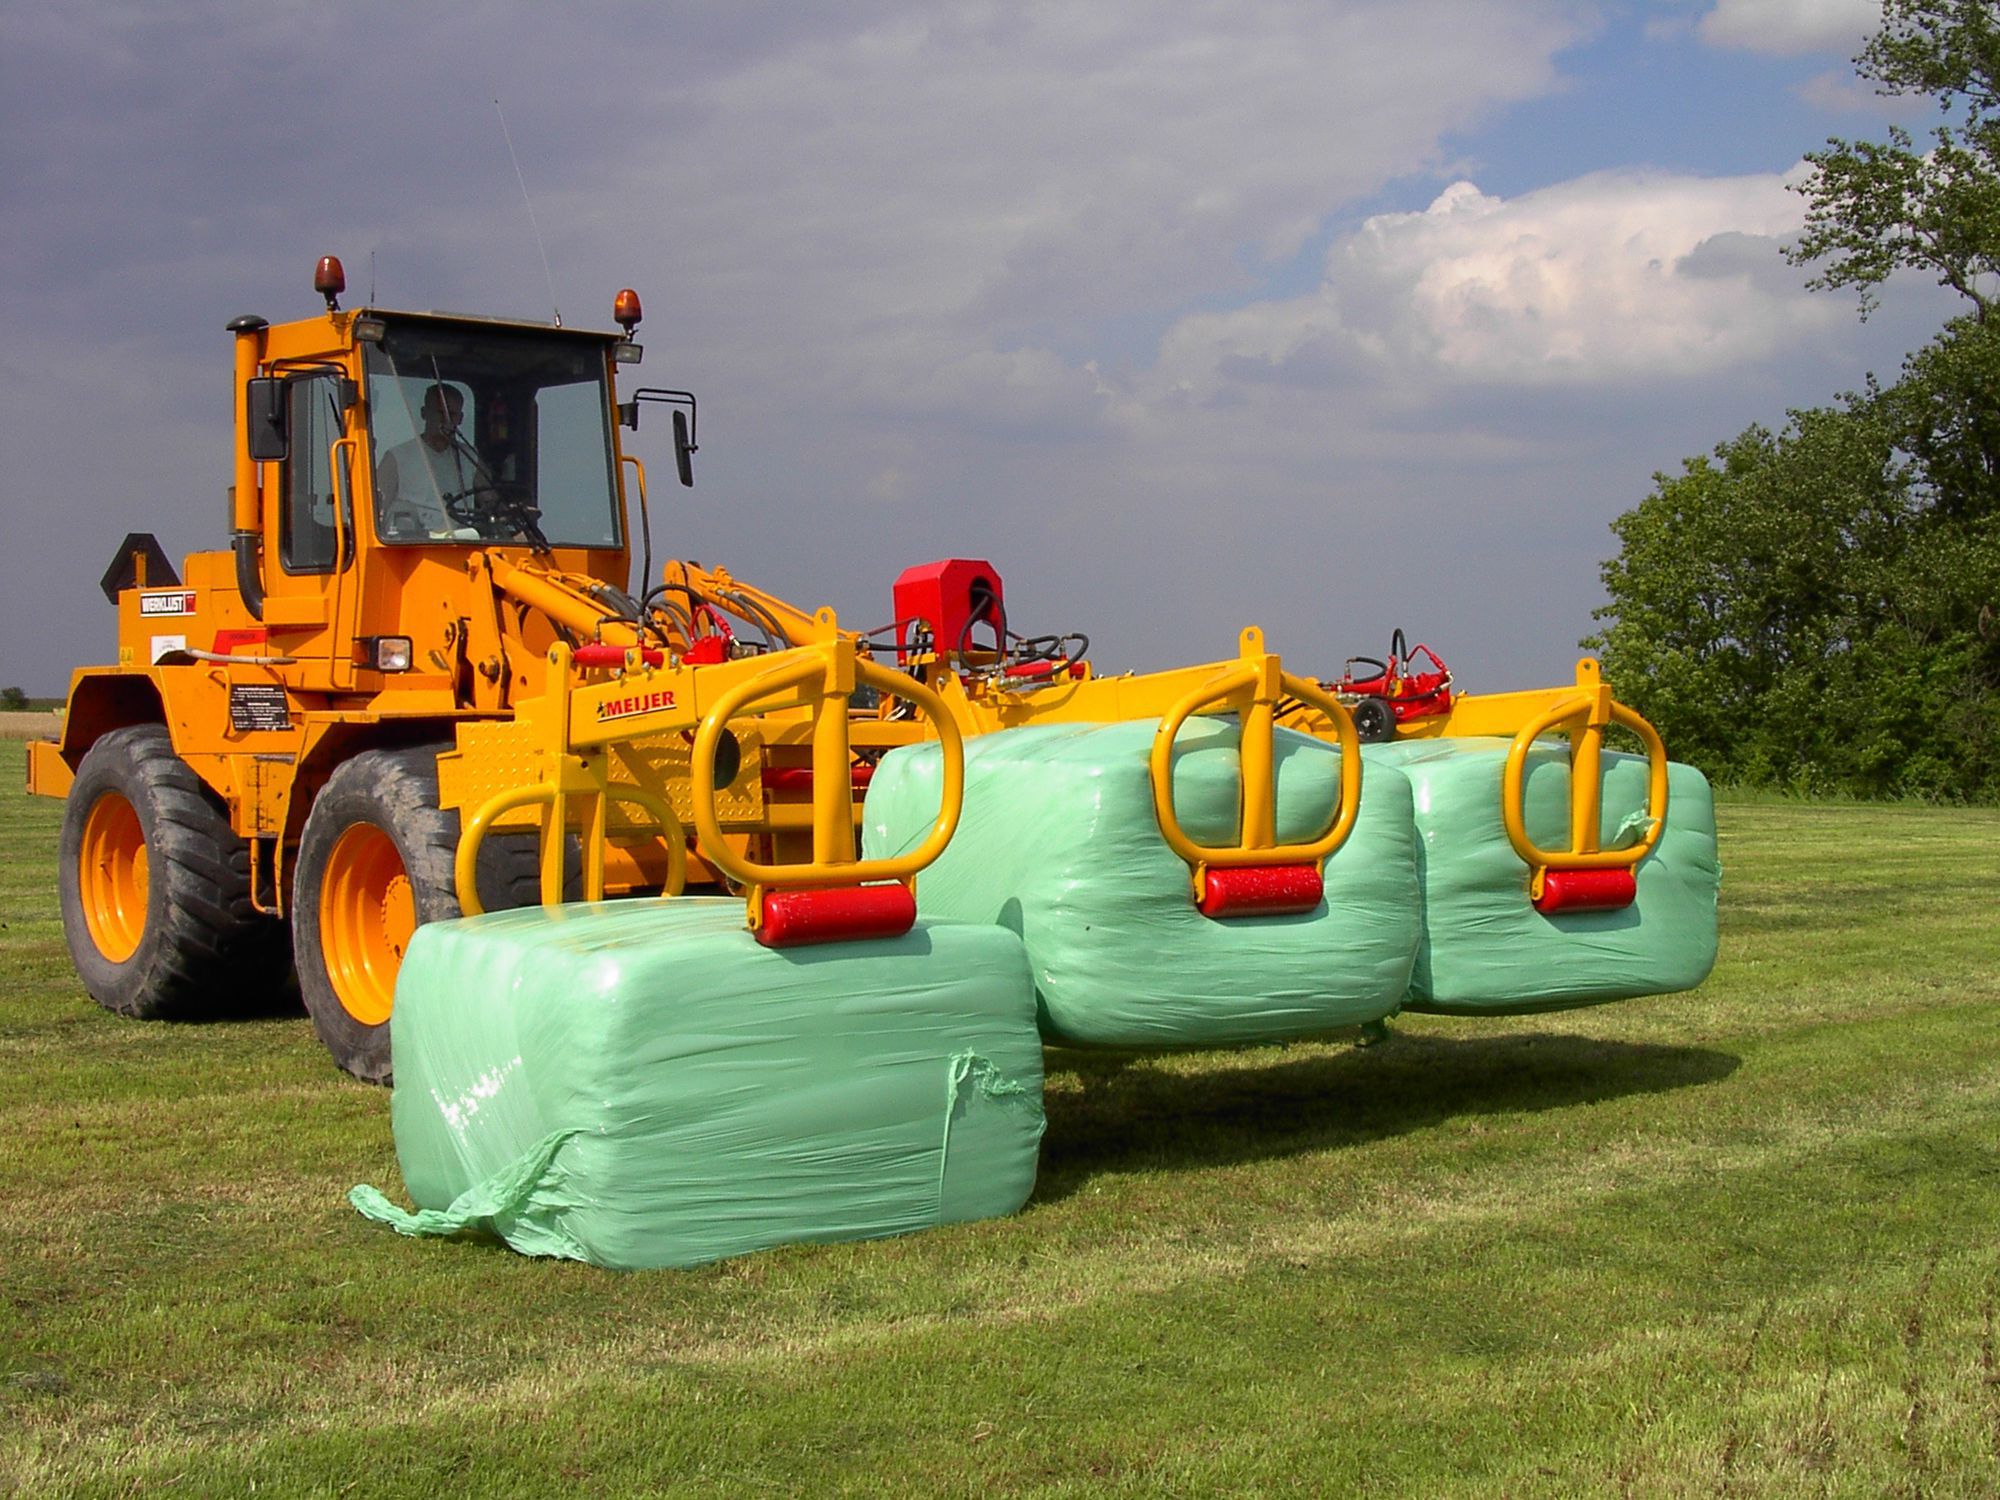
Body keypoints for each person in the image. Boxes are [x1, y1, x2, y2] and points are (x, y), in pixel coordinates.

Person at [377, 384, 487, 537]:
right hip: (414, 547)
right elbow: (376, 510)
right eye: (440, 413)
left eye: (452, 414)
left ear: (460, 419)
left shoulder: (470, 457)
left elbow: (491, 501)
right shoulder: (396, 457)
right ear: (424, 413)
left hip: (463, 545)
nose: (446, 420)